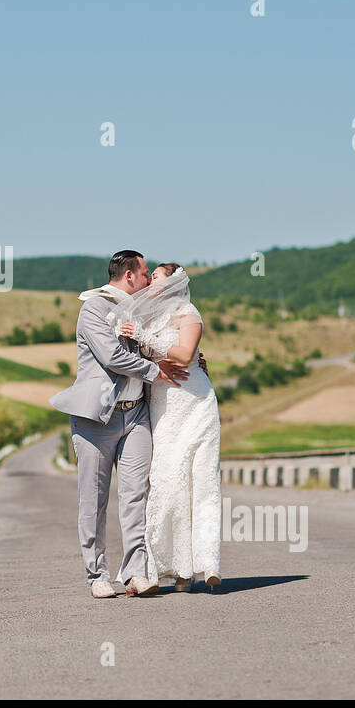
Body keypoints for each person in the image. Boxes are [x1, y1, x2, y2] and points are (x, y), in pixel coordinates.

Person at [49, 251, 206, 599]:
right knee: (94, 497)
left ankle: (135, 572)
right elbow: (112, 356)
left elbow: (165, 343)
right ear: (130, 276)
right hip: (97, 419)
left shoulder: (141, 311)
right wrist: (157, 372)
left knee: (136, 495)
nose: (151, 280)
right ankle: (97, 574)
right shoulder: (93, 309)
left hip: (136, 415)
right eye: (146, 273)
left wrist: (195, 363)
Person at [114, 263, 222, 591]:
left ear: (173, 280)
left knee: (201, 481)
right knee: (165, 482)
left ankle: (205, 564)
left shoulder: (188, 312)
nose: (149, 280)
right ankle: (173, 568)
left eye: (155, 275)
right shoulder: (145, 315)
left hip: (194, 403)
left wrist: (146, 338)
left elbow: (187, 355)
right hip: (162, 408)